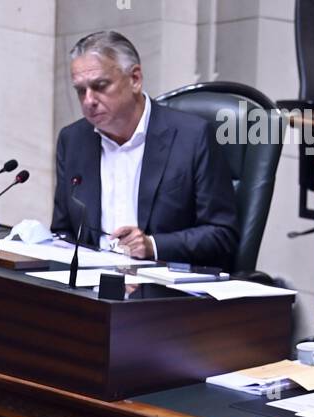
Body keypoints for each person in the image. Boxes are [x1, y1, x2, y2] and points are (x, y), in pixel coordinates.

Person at [52, 30, 239, 269]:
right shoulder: (73, 140)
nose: (89, 100)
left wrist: (152, 245)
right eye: (81, 90)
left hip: (163, 288)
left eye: (100, 85)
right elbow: (62, 231)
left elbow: (222, 235)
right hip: (91, 285)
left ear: (135, 79)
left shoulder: (192, 137)